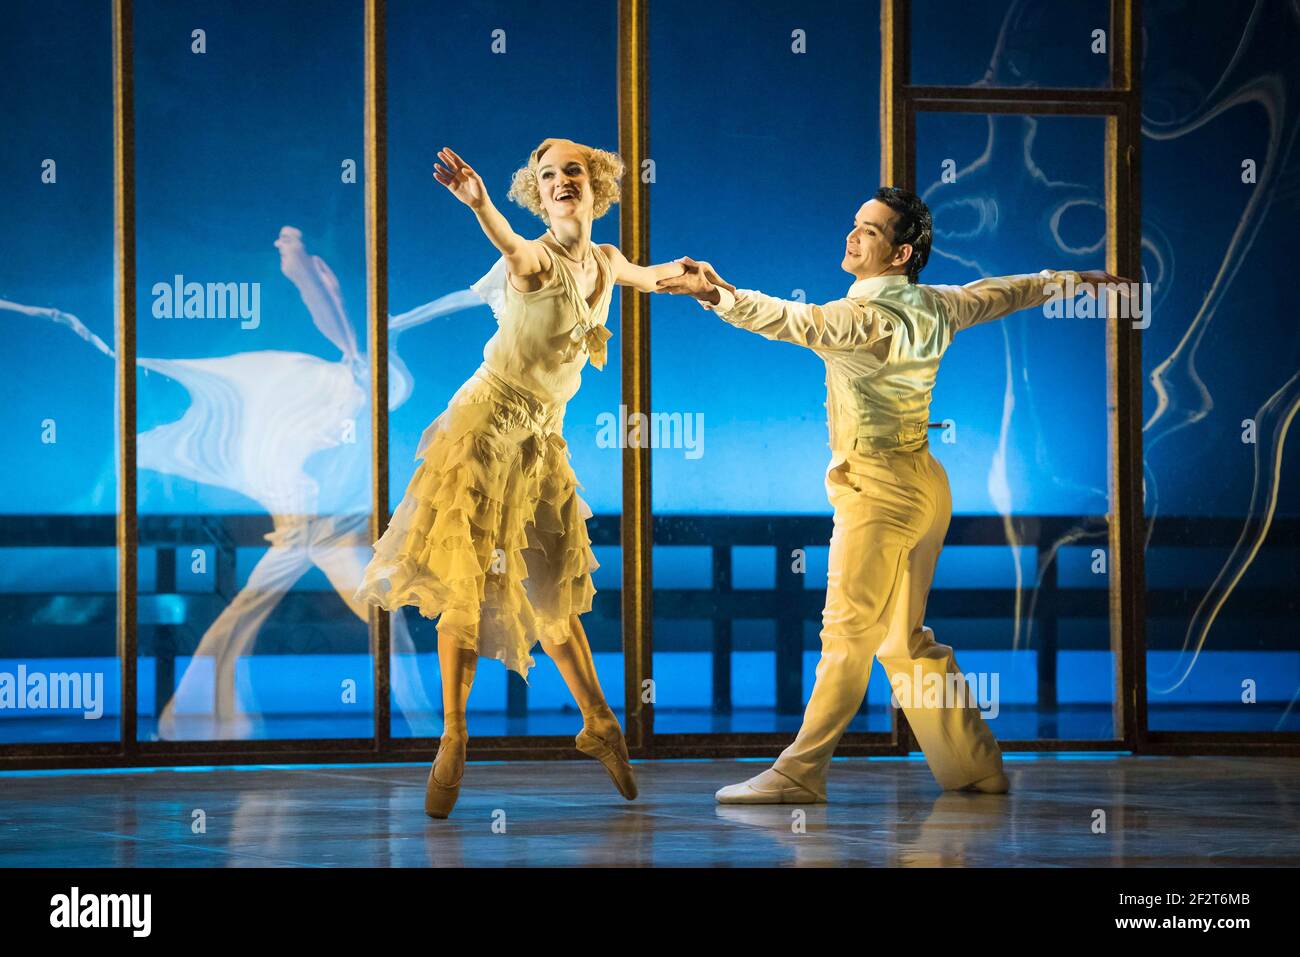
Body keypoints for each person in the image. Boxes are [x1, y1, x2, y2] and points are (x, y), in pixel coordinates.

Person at [656, 187, 1128, 803]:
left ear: (901, 252)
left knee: (847, 636)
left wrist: (715, 293)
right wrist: (1067, 278)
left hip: (879, 490)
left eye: (870, 231)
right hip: (926, 485)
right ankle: (974, 764)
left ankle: (799, 773)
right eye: (855, 224)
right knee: (902, 641)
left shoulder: (865, 318)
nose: (853, 236)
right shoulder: (936, 304)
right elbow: (1000, 292)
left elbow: (790, 321)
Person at [355, 140, 684, 818]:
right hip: (483, 427)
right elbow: (511, 248)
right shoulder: (534, 261)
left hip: (541, 438)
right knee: (466, 579)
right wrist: (479, 204)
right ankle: (453, 732)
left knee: (550, 581)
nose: (561, 182)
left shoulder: (607, 261)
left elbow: (650, 276)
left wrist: (698, 278)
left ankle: (599, 722)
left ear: (597, 185)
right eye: (547, 176)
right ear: (538, 195)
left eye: (572, 172)